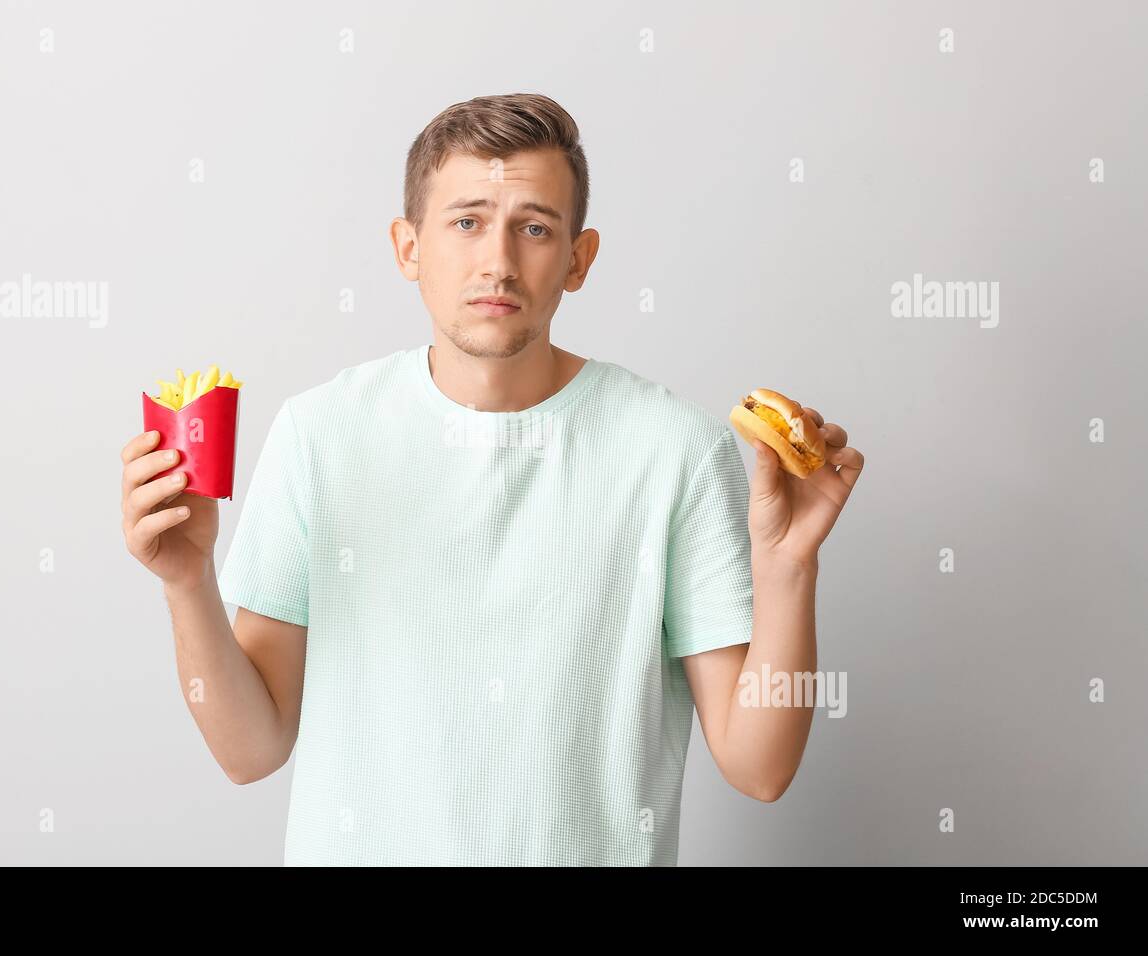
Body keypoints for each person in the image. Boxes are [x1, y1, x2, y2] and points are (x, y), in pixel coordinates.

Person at [119, 93, 864, 865]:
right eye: (467, 221)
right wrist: (187, 583)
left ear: (578, 258)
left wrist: (787, 566)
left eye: (535, 227)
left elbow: (761, 767)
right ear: (408, 248)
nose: (498, 262)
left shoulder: (675, 449)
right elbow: (250, 750)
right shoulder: (321, 436)